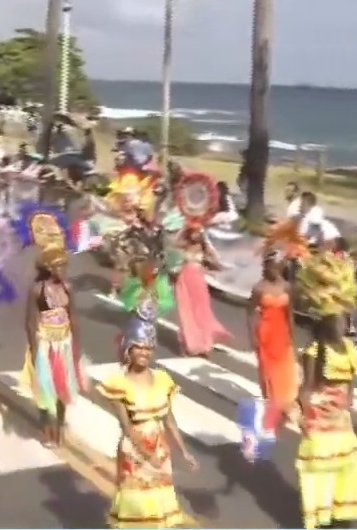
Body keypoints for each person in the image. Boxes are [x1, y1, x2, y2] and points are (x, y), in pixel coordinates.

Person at [97, 295, 198, 528]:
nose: (143, 353)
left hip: (160, 450)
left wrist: (184, 452)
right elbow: (127, 426)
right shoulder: (119, 384)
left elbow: (169, 419)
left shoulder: (162, 379)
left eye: (147, 349)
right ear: (128, 351)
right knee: (138, 508)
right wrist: (145, 454)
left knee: (158, 510)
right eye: (138, 349)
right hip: (135, 452)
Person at [295, 252, 357, 529]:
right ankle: (321, 515)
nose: (343, 323)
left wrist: (349, 401)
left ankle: (340, 511)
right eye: (337, 319)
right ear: (326, 321)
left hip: (341, 418)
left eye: (344, 318)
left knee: (345, 466)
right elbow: (307, 388)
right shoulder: (315, 351)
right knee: (321, 469)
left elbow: (350, 383)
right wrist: (302, 415)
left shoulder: (350, 349)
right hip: (320, 417)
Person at [23, 243, 86, 448]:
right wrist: (34, 349)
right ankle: (47, 425)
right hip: (45, 344)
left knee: (63, 387)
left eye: (65, 266)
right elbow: (31, 323)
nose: (63, 271)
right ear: (49, 268)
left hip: (64, 344)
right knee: (45, 387)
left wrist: (76, 348)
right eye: (59, 267)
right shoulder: (37, 291)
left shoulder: (68, 288)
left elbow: (74, 318)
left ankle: (58, 427)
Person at [247, 255, 298, 425]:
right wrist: (253, 336)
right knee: (268, 371)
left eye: (278, 267)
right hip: (265, 332)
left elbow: (289, 314)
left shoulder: (287, 287)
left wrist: (291, 334)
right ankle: (273, 404)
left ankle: (285, 404)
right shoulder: (259, 288)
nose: (275, 271)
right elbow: (251, 312)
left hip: (281, 332)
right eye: (272, 268)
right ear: (266, 267)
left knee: (284, 370)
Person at [173, 225, 231, 356]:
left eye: (198, 232)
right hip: (184, 280)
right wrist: (184, 228)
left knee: (202, 312)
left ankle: (204, 344)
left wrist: (208, 267)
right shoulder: (185, 244)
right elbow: (175, 242)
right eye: (193, 232)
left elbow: (217, 265)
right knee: (186, 312)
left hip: (198, 281)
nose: (195, 235)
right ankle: (189, 344)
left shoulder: (205, 248)